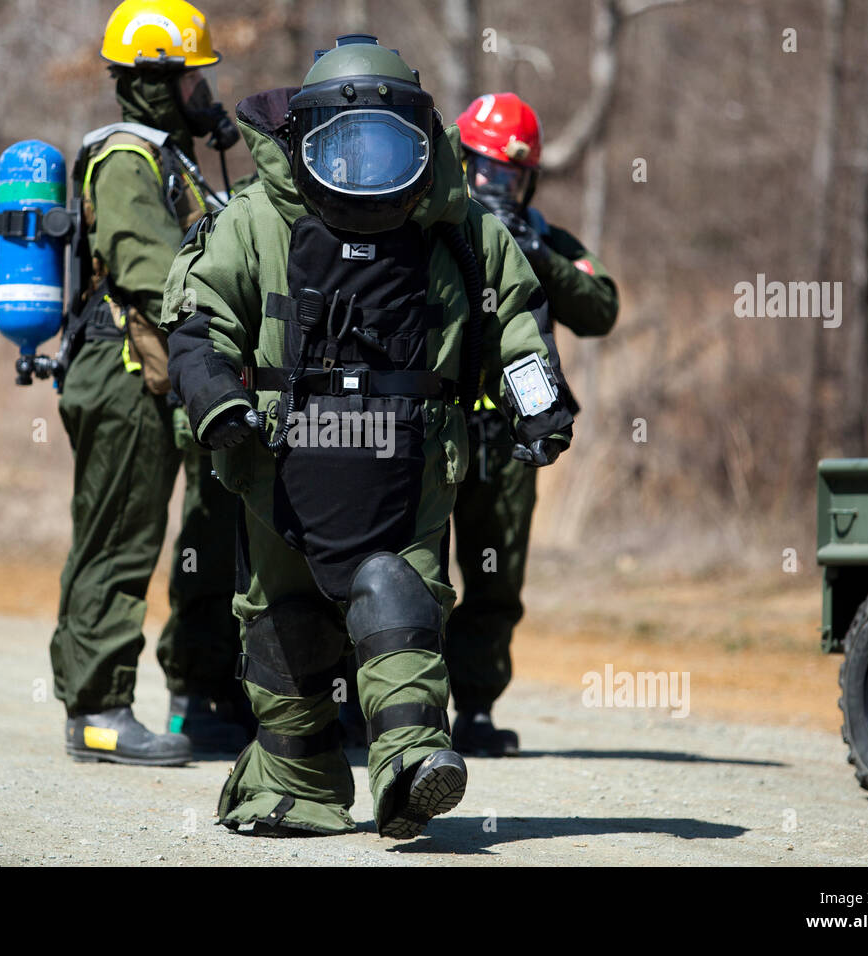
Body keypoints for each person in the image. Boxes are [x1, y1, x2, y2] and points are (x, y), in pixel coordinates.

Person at [160, 36, 578, 837]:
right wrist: (218, 404)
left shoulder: (460, 229)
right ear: (304, 138)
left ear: (423, 140)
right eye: (343, 147)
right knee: (284, 624)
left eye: (387, 146)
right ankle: (292, 784)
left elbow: (517, 320)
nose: (363, 166)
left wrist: (539, 402)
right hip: (278, 461)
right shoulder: (255, 220)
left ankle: (413, 764)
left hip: (412, 459)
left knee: (402, 595)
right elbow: (199, 326)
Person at [52, 0, 251, 767]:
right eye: (193, 78)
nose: (205, 94)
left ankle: (197, 697)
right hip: (123, 372)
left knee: (206, 532)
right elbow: (156, 271)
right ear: (158, 80)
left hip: (167, 375)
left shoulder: (174, 160)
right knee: (119, 538)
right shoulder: (127, 160)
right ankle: (96, 710)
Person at [446, 92, 619, 756]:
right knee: (417, 574)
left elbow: (601, 308)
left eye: (511, 175)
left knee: (496, 580)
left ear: (530, 179)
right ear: (461, 164)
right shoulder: (436, 227)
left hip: (511, 439)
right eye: (485, 170)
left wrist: (534, 254)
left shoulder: (540, 236)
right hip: (440, 432)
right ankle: (409, 711)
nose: (496, 185)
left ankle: (478, 711)